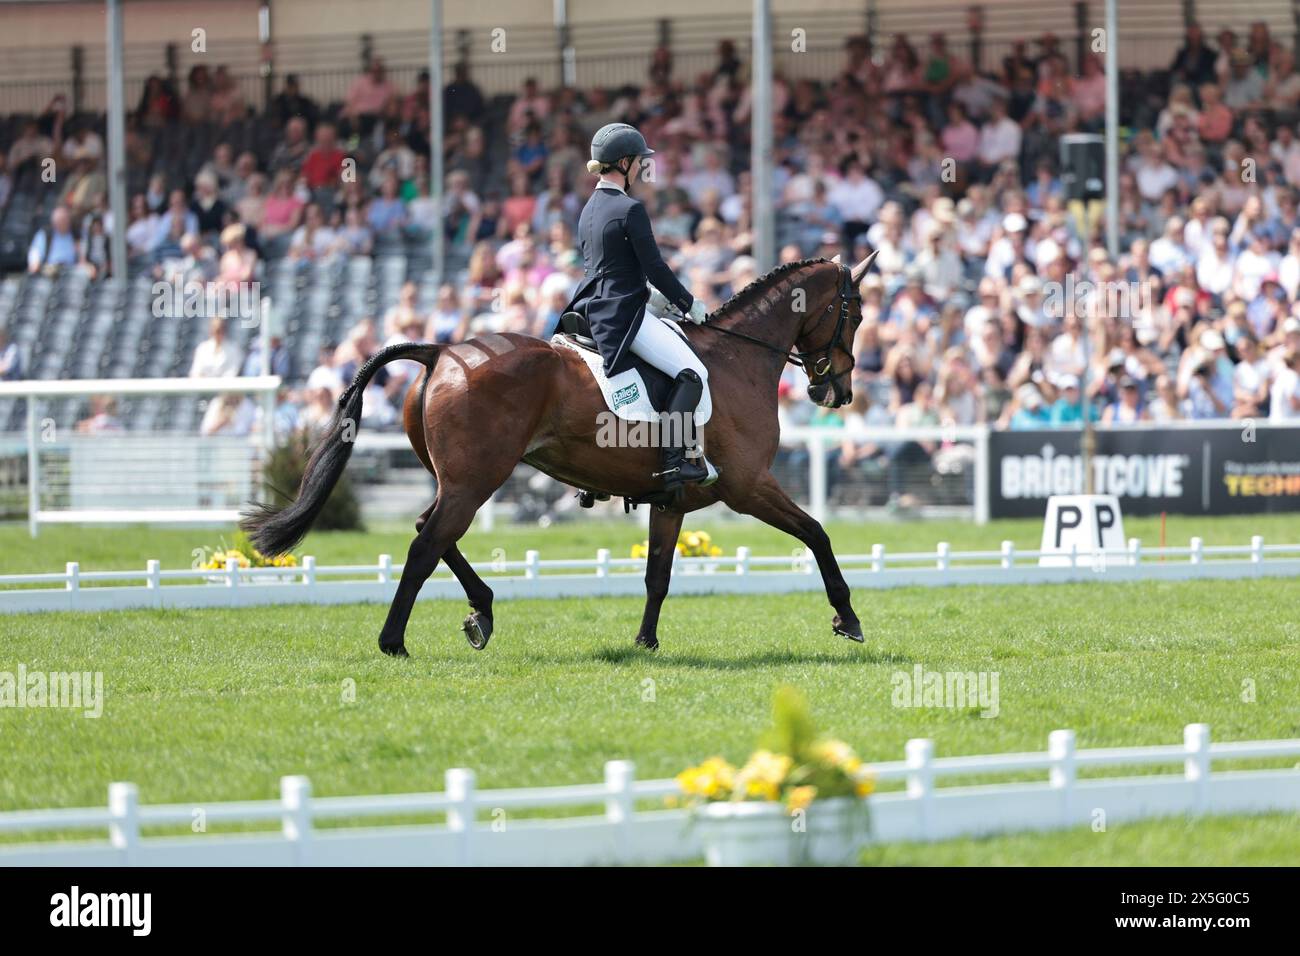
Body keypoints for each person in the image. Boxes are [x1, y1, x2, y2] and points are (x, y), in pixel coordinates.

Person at [564, 123, 715, 493]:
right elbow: (655, 267)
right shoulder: (630, 208)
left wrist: (652, 296)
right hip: (622, 313)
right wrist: (688, 303)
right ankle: (674, 462)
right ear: (625, 163)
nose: (641, 170)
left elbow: (614, 267)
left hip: (588, 307)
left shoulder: (589, 209)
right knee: (692, 371)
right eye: (639, 162)